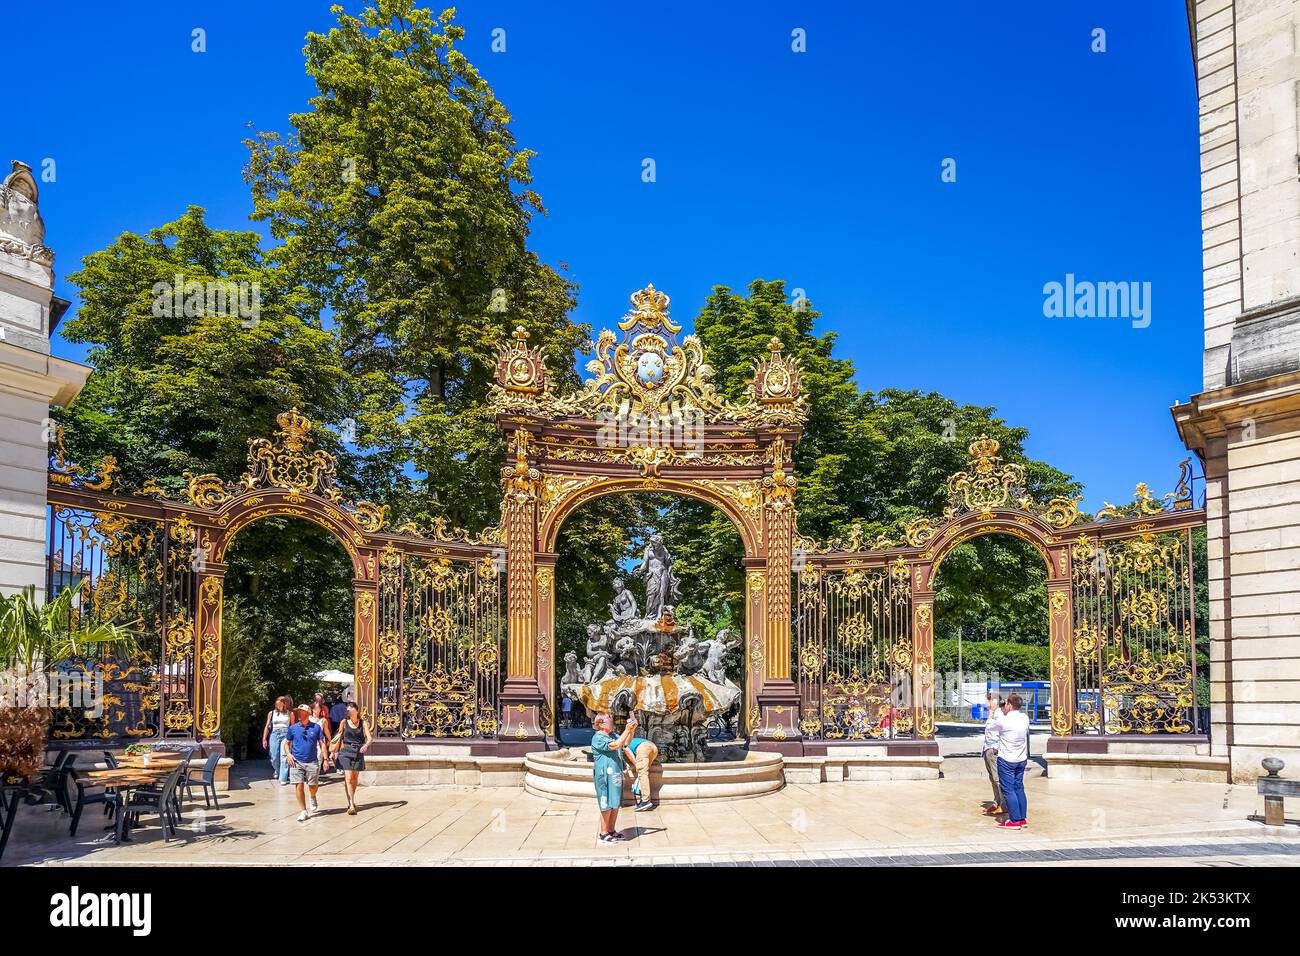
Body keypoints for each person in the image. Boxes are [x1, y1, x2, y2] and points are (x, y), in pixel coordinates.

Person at [590, 711, 638, 844]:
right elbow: (615, 745)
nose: (611, 721)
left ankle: (611, 830)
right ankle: (603, 833)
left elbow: (625, 742)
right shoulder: (598, 737)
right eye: (608, 720)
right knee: (606, 803)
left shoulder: (612, 735)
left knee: (615, 802)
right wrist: (627, 729)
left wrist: (631, 730)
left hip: (615, 773)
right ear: (600, 724)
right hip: (604, 774)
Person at [284, 704, 327, 822]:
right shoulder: (293, 728)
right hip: (296, 761)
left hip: (312, 761)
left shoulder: (316, 727)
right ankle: (303, 811)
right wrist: (288, 754)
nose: (299, 713)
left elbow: (322, 743)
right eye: (298, 712)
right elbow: (286, 743)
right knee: (299, 785)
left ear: (308, 713)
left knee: (313, 786)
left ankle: (312, 796)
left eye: (302, 712)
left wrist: (326, 759)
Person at [329, 700, 373, 815]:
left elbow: (369, 738)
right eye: (348, 708)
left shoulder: (363, 723)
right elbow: (338, 737)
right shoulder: (344, 722)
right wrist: (334, 752)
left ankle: (351, 800)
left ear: (356, 710)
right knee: (348, 778)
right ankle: (352, 804)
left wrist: (366, 745)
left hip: (358, 751)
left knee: (354, 778)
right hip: (345, 751)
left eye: (351, 707)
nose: (348, 709)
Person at [993, 694, 1031, 829]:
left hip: (1007, 759)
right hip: (1021, 758)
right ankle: (1022, 819)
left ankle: (1014, 820)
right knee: (1019, 787)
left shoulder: (1003, 720)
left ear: (1009, 704)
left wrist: (994, 711)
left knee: (1008, 790)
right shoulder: (1024, 718)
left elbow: (989, 727)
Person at [981, 693, 1005, 816]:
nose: (986, 704)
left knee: (997, 778)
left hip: (994, 749)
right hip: (988, 748)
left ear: (993, 702)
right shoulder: (993, 714)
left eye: (987, 701)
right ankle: (997, 801)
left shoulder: (999, 714)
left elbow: (995, 731)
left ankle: (1003, 804)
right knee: (992, 778)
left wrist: (996, 748)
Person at [622, 732, 659, 812]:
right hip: (653, 748)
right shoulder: (633, 740)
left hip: (643, 748)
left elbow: (626, 749)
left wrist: (636, 764)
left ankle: (645, 801)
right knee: (645, 772)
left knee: (642, 773)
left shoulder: (623, 743)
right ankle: (647, 798)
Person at [262, 695, 293, 785]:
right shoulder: (271, 713)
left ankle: (283, 778)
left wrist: (292, 739)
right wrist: (264, 738)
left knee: (284, 756)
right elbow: (267, 726)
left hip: (286, 734)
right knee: (274, 756)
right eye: (277, 704)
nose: (278, 706)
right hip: (274, 734)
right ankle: (278, 771)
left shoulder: (290, 713)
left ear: (284, 704)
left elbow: (293, 727)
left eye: (280, 704)